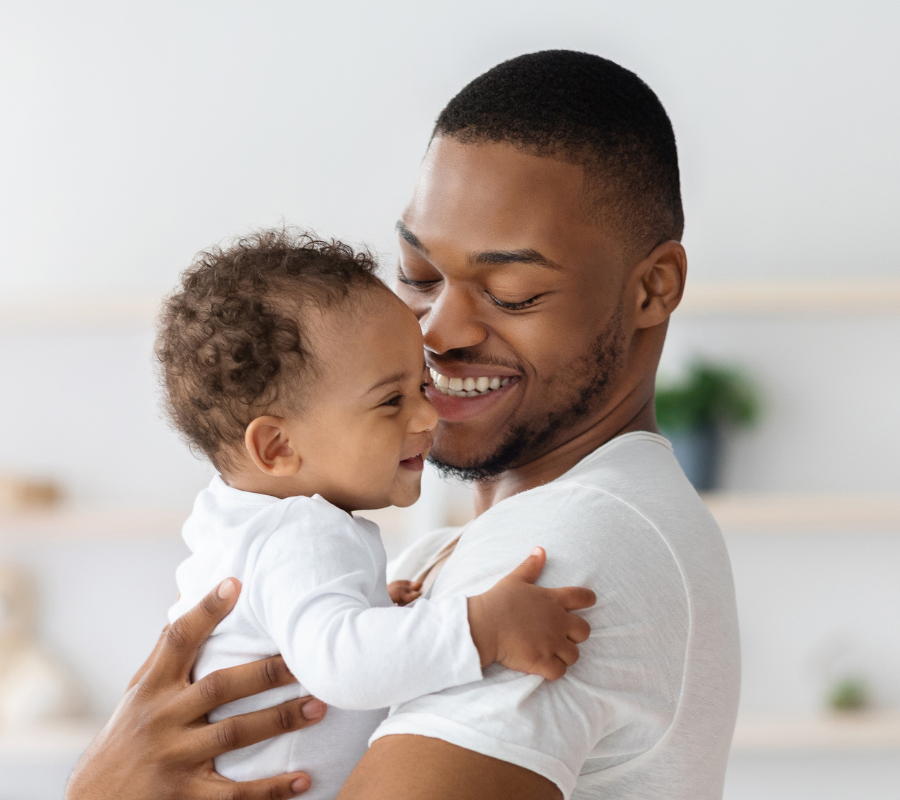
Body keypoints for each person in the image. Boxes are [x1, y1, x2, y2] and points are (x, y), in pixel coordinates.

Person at [66, 49, 740, 800]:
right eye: (419, 277)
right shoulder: (437, 553)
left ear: (653, 288)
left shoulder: (568, 550)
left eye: (512, 291)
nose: (438, 331)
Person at [155, 230, 596, 799]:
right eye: (392, 401)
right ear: (277, 448)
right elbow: (343, 663)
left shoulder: (234, 520)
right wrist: (483, 627)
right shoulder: (301, 532)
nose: (426, 416)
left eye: (422, 385)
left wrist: (376, 609)